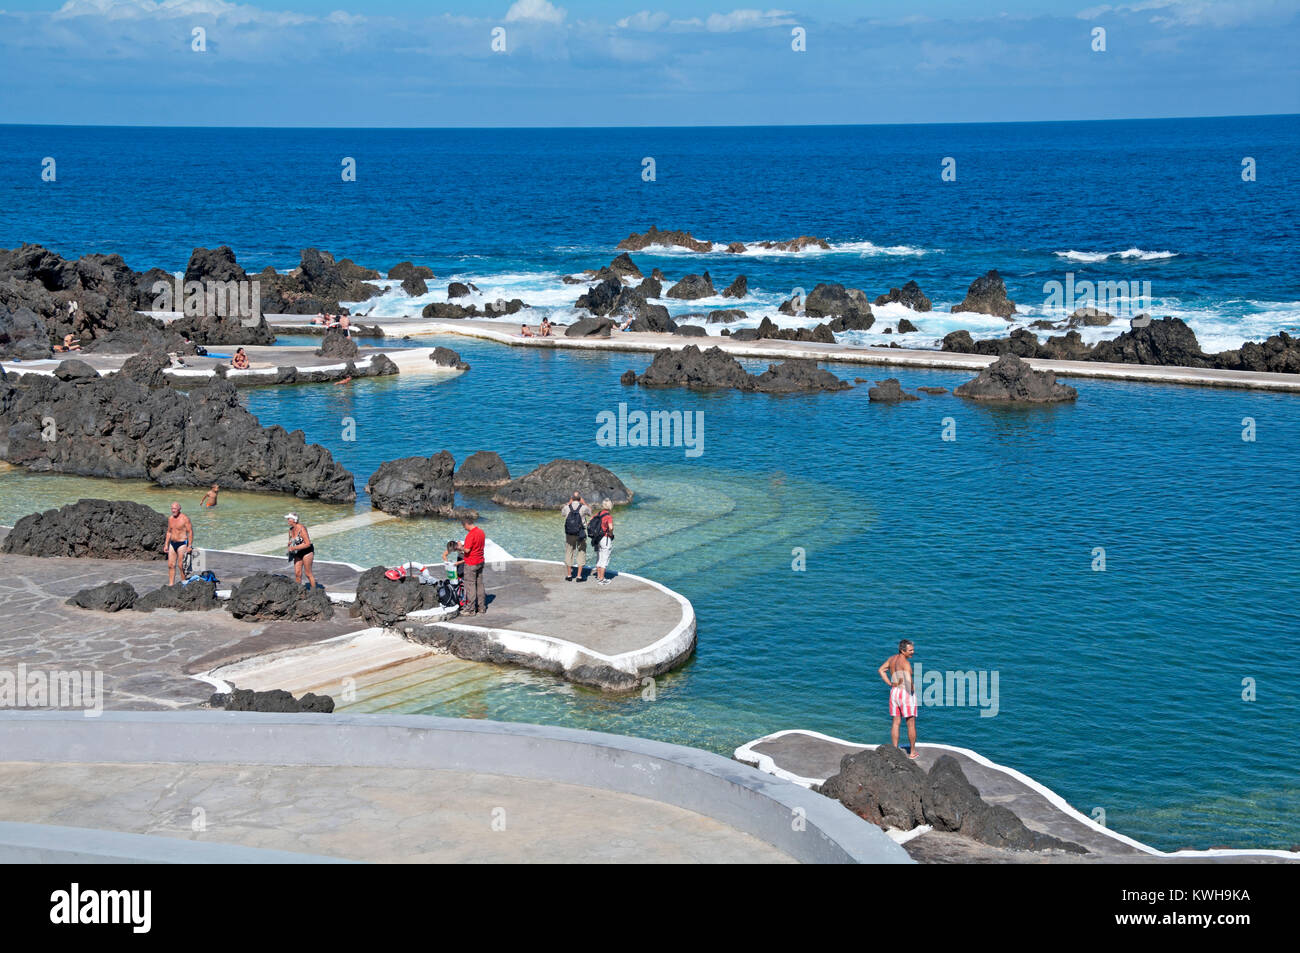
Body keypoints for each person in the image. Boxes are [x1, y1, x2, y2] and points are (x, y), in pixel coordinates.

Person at [878, 639, 919, 759]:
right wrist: (912, 690)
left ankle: (894, 751)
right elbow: (908, 680)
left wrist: (889, 683)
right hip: (905, 693)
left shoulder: (892, 659)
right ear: (903, 650)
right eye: (910, 650)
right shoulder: (905, 663)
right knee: (910, 723)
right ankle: (912, 752)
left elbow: (881, 670)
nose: (913, 652)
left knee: (896, 722)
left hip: (894, 692)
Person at [561, 492, 591, 582]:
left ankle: (569, 575)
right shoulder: (583, 507)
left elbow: (562, 514)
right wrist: (584, 502)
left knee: (569, 552)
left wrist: (568, 503)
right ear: (580, 499)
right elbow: (590, 512)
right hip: (581, 533)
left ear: (572, 498)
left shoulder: (566, 507)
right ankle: (579, 576)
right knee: (581, 552)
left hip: (569, 533)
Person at [460, 515, 486, 615]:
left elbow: (467, 550)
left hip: (471, 563)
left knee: (470, 586)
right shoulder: (481, 532)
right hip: (480, 561)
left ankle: (471, 610)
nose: (464, 528)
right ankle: (481, 607)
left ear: (466, 524)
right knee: (479, 585)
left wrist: (460, 547)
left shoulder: (470, 535)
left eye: (464, 526)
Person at [163, 502, 194, 586]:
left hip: (182, 543)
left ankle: (184, 584)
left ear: (179, 509)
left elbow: (190, 532)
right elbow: (169, 532)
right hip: (172, 544)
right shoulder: (170, 519)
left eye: (175, 509)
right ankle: (171, 584)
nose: (173, 510)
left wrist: (189, 545)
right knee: (171, 565)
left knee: (181, 566)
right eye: (172, 509)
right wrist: (166, 544)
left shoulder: (185, 519)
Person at [285, 513, 317, 590]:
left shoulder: (302, 529)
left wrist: (294, 547)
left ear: (294, 520)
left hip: (307, 552)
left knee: (308, 573)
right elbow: (291, 541)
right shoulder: (290, 530)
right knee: (297, 573)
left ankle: (314, 592)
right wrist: (290, 544)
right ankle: (299, 591)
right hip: (297, 553)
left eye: (289, 519)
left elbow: (308, 544)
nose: (287, 520)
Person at [591, 499, 614, 585]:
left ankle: (598, 577)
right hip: (605, 538)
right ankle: (602, 579)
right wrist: (611, 534)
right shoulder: (608, 516)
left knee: (599, 557)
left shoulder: (598, 514)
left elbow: (591, 521)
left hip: (597, 539)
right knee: (605, 558)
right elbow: (610, 527)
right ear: (610, 506)